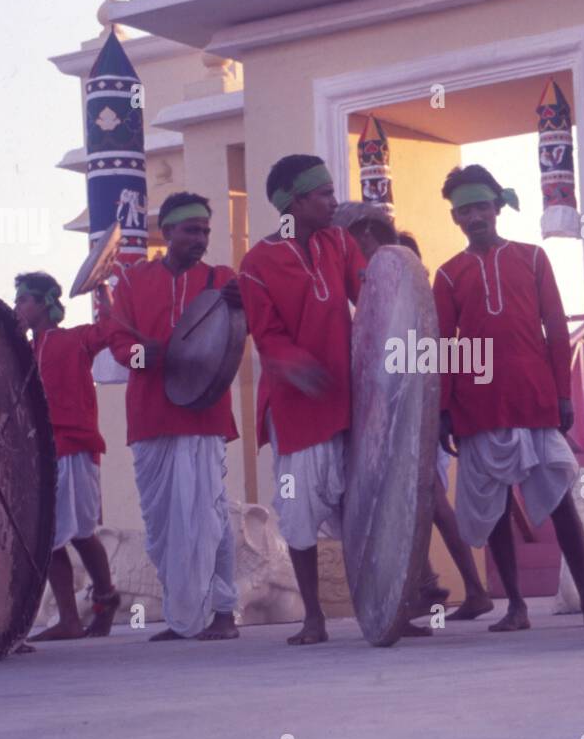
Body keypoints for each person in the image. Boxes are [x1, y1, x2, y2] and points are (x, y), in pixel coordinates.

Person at [434, 165, 584, 632]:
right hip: (478, 409)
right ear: (455, 218)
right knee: (495, 511)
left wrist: (563, 394)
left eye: (481, 205)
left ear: (497, 207)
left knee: (560, 503)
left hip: (536, 400)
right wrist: (443, 410)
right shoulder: (448, 274)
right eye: (464, 210)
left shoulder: (534, 258)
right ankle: (515, 607)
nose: (474, 216)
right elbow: (444, 347)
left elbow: (557, 329)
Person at [329, 203, 494, 624]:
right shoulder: (365, 275)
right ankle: (428, 589)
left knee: (428, 502)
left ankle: (459, 591)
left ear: (364, 232)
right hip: (384, 409)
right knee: (407, 502)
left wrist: (426, 409)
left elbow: (423, 343)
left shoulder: (403, 269)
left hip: (412, 404)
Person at [239, 156, 371, 645]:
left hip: (349, 401)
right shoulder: (256, 264)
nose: (334, 202)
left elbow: (371, 294)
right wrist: (296, 364)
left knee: (367, 506)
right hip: (295, 410)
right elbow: (266, 337)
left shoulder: (339, 242)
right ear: (293, 202)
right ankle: (313, 617)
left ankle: (383, 604)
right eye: (324, 194)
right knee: (297, 514)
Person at [107, 192, 243, 641]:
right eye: (191, 230)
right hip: (150, 416)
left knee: (210, 515)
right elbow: (120, 346)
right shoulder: (130, 282)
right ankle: (184, 618)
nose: (200, 238)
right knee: (163, 522)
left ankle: (223, 614)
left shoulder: (222, 280)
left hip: (203, 415)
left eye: (205, 230)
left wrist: (241, 306)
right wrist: (152, 357)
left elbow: (241, 335)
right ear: (166, 233)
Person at [14, 272, 121, 641]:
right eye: (16, 301)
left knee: (81, 533)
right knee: (48, 538)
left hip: (76, 447)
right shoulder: (22, 352)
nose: (18, 307)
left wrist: (103, 290)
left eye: (24, 300)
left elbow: (109, 330)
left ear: (45, 302)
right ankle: (70, 620)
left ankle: (106, 600)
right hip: (40, 455)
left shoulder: (74, 339)